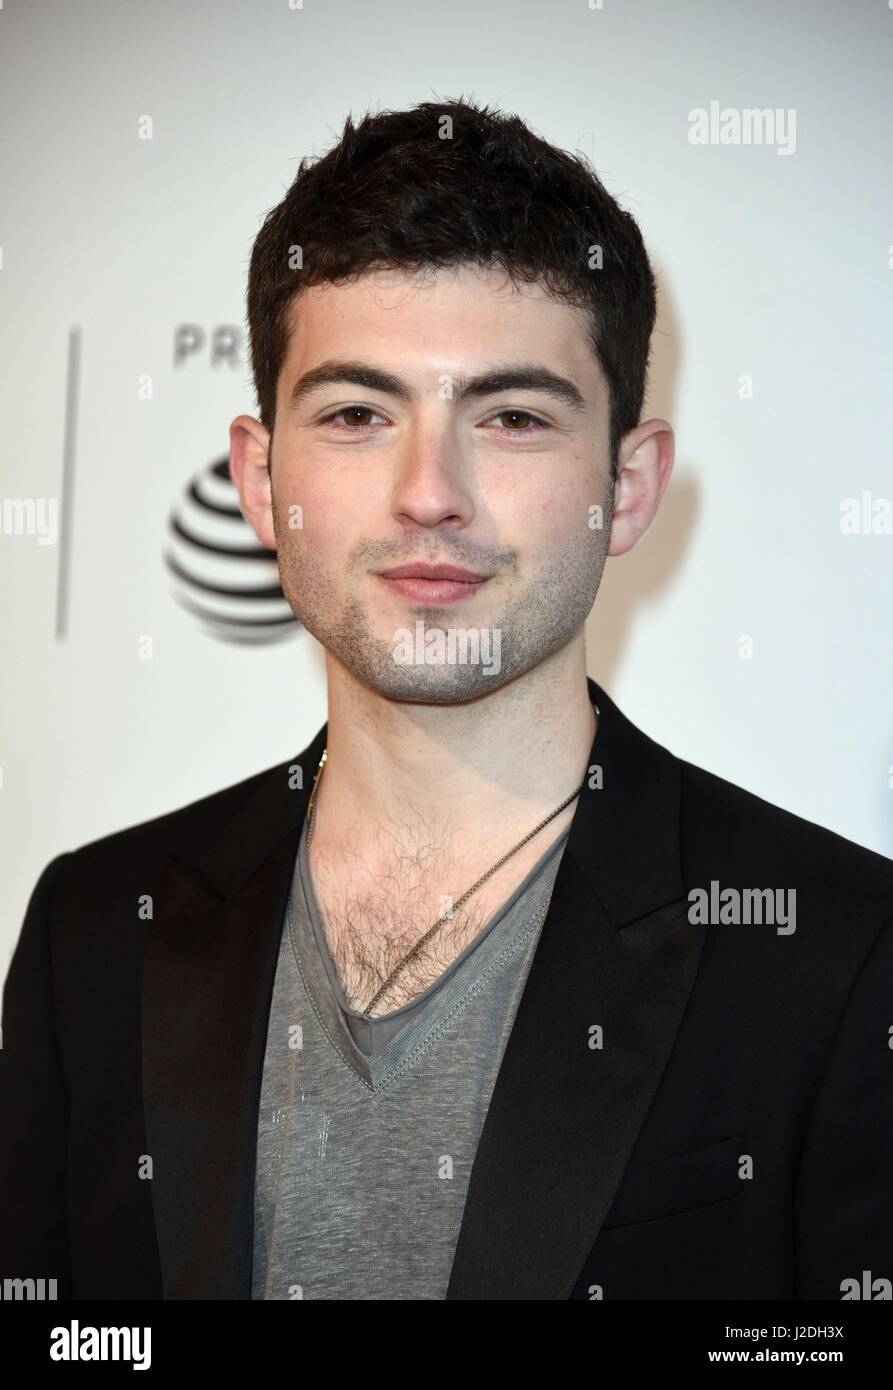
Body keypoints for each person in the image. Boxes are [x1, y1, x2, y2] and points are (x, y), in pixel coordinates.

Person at [2, 98, 891, 1301]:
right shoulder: (94, 930)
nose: (430, 492)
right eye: (359, 414)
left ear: (625, 488)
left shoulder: (836, 954)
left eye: (512, 418)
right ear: (262, 482)